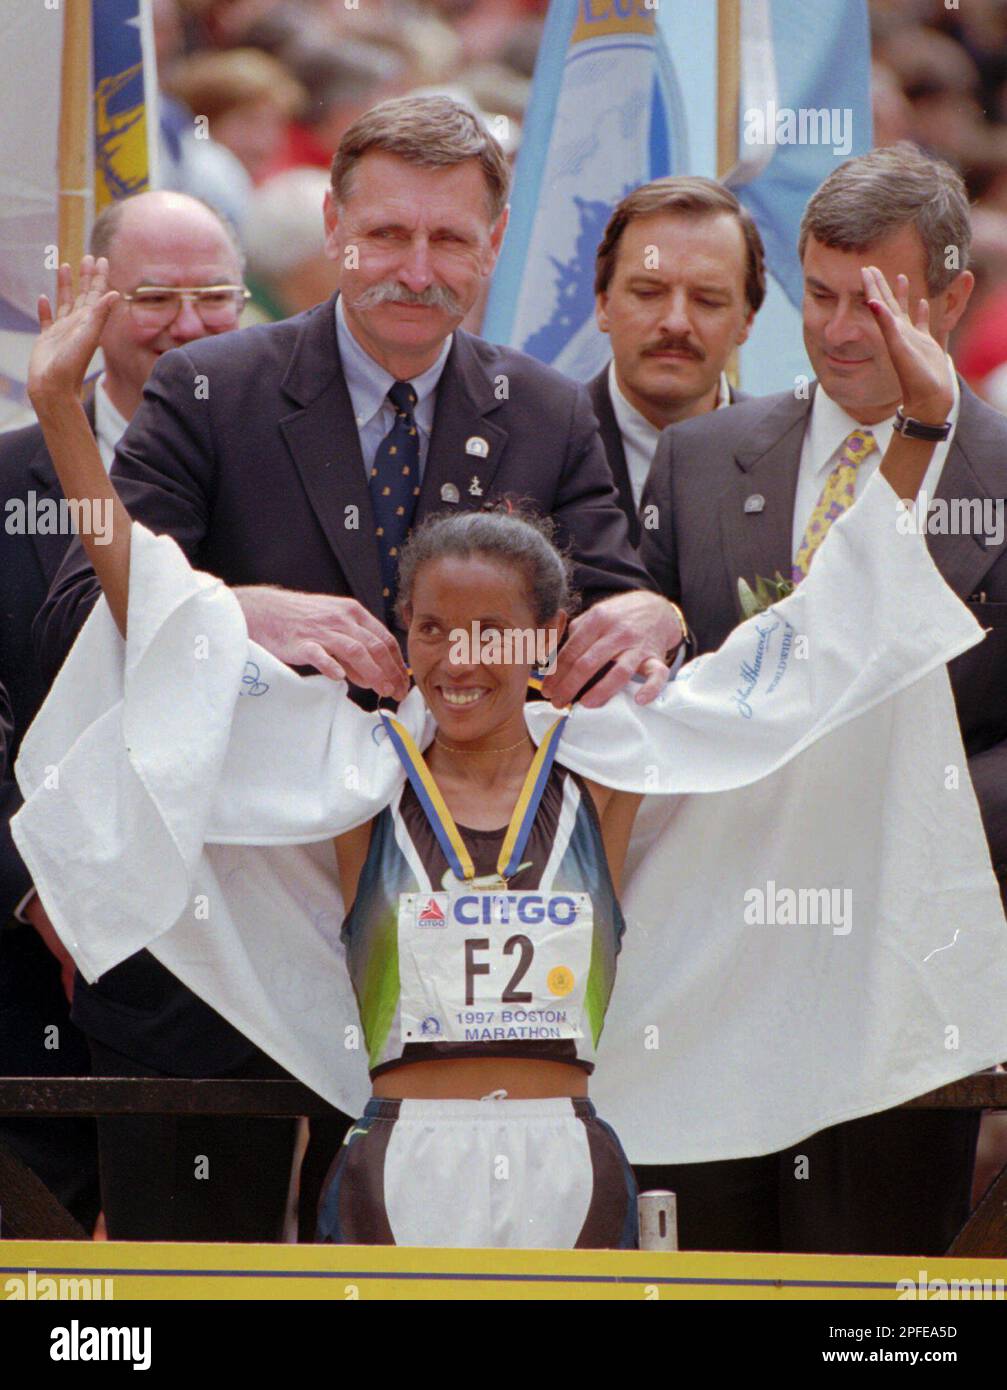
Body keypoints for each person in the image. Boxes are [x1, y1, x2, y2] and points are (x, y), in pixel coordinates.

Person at [21, 242, 976, 1247]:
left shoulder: (605, 762)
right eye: (432, 629)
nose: (461, 659)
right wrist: (57, 407)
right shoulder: (352, 770)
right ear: (401, 626)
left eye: (493, 632)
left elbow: (822, 641)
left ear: (549, 636)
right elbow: (158, 610)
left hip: (573, 1164)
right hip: (399, 1165)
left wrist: (917, 427)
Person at [639, 141, 1007, 1256]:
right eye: (820, 296)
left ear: (952, 298)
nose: (841, 330)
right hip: (706, 969)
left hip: (899, 970)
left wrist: (902, 814)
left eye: (879, 303)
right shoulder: (697, 459)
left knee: (867, 1281)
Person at [0, 189, 303, 1244]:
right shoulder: (9, 483)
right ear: (85, 303)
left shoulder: (291, 459)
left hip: (251, 957)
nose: (187, 323)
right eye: (154, 296)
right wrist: (42, 887)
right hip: (40, 963)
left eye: (214, 295)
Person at [590, 178, 765, 545]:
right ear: (603, 304)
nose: (676, 323)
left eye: (708, 300)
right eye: (648, 293)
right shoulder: (537, 446)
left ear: (747, 321)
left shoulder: (788, 457)